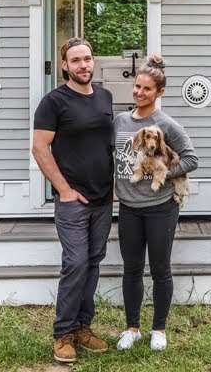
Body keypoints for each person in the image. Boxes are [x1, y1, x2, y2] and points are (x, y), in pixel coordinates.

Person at [31, 37, 114, 364]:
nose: (83, 65)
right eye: (76, 60)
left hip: (103, 197)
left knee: (93, 262)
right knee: (76, 262)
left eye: (88, 59)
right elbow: (39, 148)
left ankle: (83, 327)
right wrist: (64, 190)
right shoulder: (54, 102)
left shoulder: (105, 97)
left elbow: (107, 144)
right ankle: (63, 332)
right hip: (73, 200)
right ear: (64, 65)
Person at [112, 54, 198, 352]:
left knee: (160, 269)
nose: (139, 92)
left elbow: (191, 159)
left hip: (161, 208)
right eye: (137, 86)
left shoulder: (166, 124)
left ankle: (158, 329)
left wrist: (159, 173)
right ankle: (132, 328)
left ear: (159, 92)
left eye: (147, 89)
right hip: (128, 208)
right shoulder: (121, 121)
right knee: (131, 269)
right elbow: (114, 158)